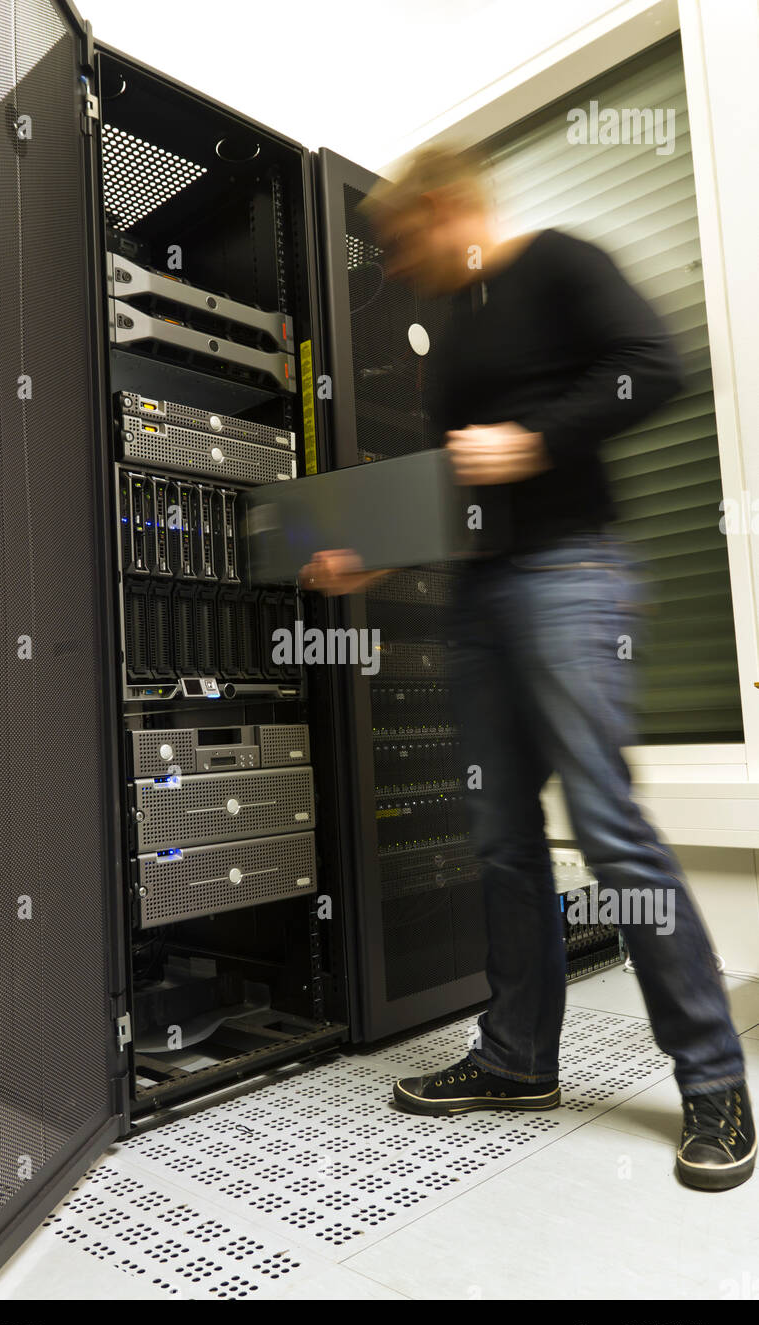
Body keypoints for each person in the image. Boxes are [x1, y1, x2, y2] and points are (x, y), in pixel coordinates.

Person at [301, 146, 754, 1192]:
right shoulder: (452, 335)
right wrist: (372, 553)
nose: (397, 265)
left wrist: (533, 439)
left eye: (403, 242)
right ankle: (515, 1059)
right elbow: (456, 488)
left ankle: (711, 1080)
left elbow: (657, 362)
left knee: (605, 825)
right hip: (480, 596)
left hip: (570, 576)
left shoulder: (558, 263)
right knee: (500, 838)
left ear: (450, 207)